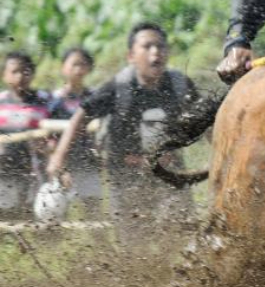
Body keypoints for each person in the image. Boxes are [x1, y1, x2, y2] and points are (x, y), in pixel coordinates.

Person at [46, 24, 196, 237]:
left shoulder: (180, 84)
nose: (155, 52)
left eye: (160, 46)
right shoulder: (119, 87)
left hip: (170, 175)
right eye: (147, 46)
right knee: (134, 242)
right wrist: (59, 157)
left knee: (180, 235)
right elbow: (80, 117)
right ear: (131, 56)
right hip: (127, 179)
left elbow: (208, 122)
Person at [47, 47, 104, 212]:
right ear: (63, 67)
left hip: (89, 164)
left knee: (93, 210)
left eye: (82, 65)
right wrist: (61, 168)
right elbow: (50, 139)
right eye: (74, 64)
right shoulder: (54, 100)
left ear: (89, 68)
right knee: (54, 211)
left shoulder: (95, 97)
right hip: (63, 164)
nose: (78, 69)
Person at [0, 52, 51, 216]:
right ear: (4, 75)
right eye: (14, 71)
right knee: (6, 214)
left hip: (35, 168)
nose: (20, 76)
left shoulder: (46, 100)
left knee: (34, 214)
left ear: (32, 74)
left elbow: (55, 133)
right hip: (4, 168)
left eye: (25, 71)